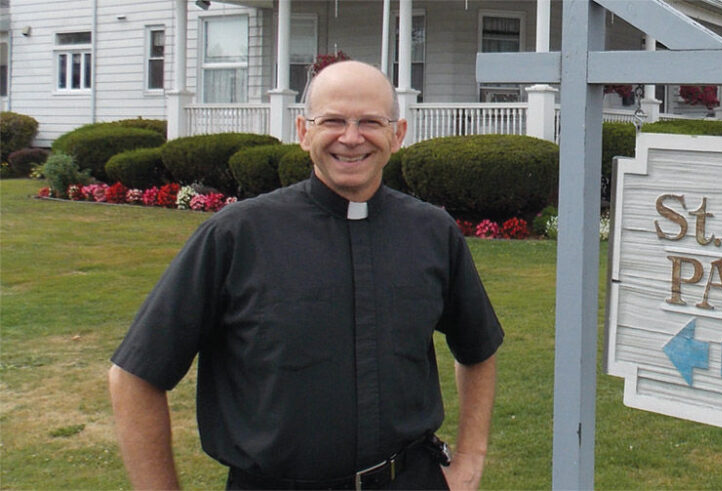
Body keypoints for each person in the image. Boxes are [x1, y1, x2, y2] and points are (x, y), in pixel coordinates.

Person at [108, 60, 503, 490]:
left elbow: (478, 347)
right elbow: (135, 376)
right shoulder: (237, 236)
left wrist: (470, 458)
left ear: (398, 134)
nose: (351, 138)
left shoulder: (432, 232)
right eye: (332, 120)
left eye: (370, 121)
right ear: (303, 132)